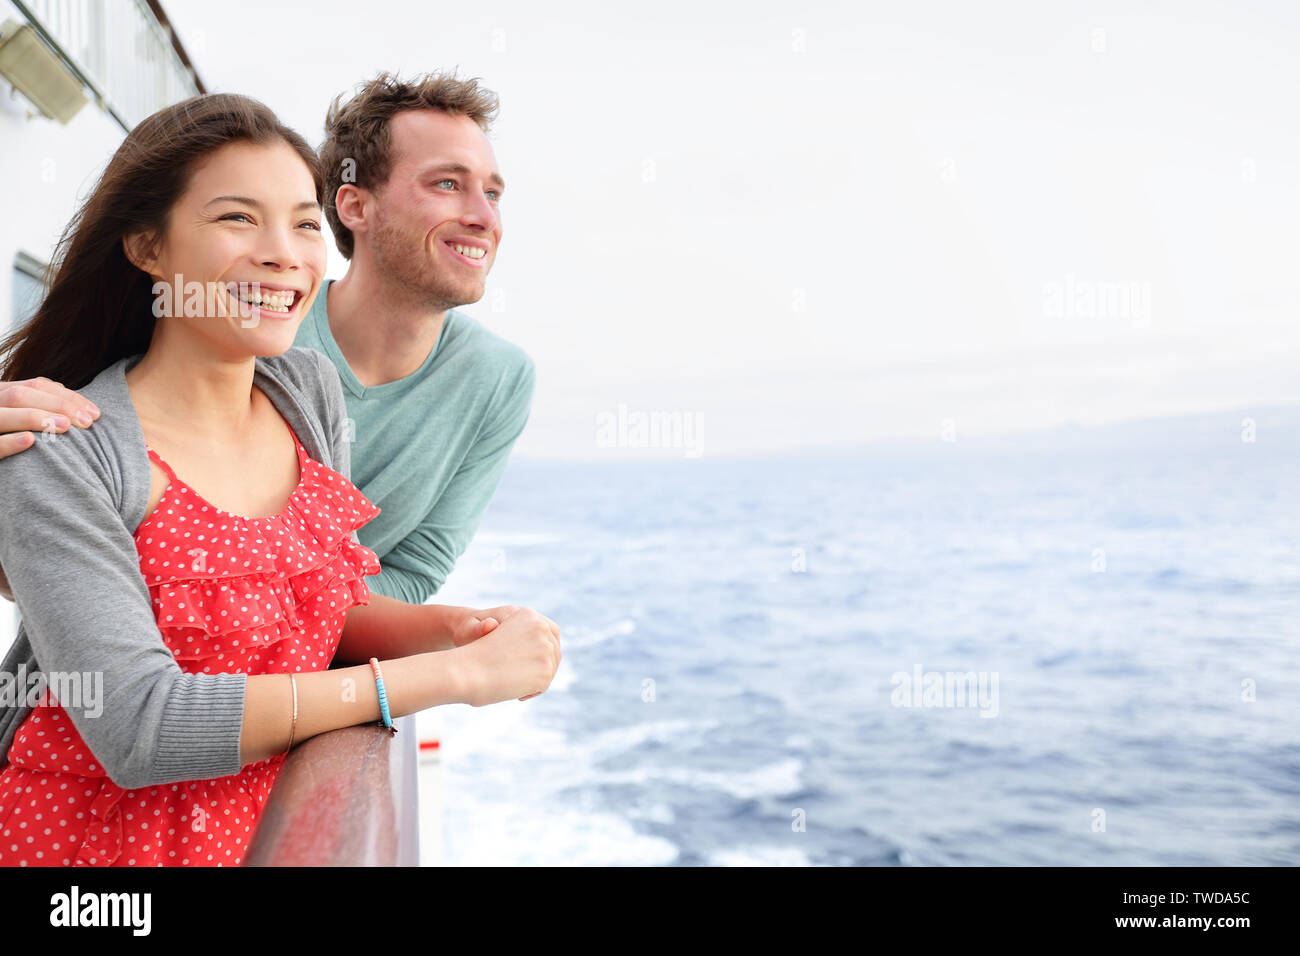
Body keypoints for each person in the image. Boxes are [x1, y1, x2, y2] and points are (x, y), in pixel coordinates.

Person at [0, 92, 559, 866]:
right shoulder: (64, 447)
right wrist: (451, 674)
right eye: (236, 218)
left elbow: (321, 601)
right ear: (147, 248)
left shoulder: (307, 391)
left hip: (258, 825)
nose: (283, 252)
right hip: (93, 856)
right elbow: (138, 725)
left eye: (302, 222)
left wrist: (460, 628)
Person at [0, 69, 533, 608]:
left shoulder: (495, 378)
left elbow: (405, 571)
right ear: (353, 207)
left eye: (493, 193)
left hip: (311, 672)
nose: (484, 217)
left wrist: (466, 638)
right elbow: (80, 588)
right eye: (447, 183)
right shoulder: (239, 320)